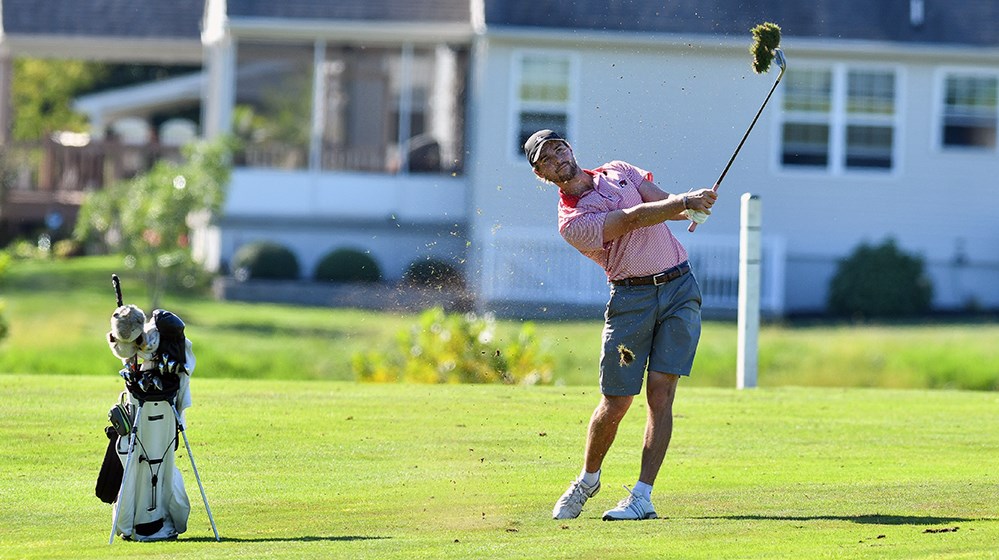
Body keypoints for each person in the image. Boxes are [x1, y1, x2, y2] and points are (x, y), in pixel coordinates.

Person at [523, 129, 717, 521]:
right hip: (632, 300)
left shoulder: (619, 171)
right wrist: (683, 202)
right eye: (546, 158)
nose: (557, 157)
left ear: (571, 148)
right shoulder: (572, 221)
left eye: (559, 148)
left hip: (680, 287)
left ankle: (643, 497)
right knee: (616, 402)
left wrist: (694, 206)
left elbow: (661, 204)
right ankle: (588, 480)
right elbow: (630, 220)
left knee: (661, 393)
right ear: (541, 174)